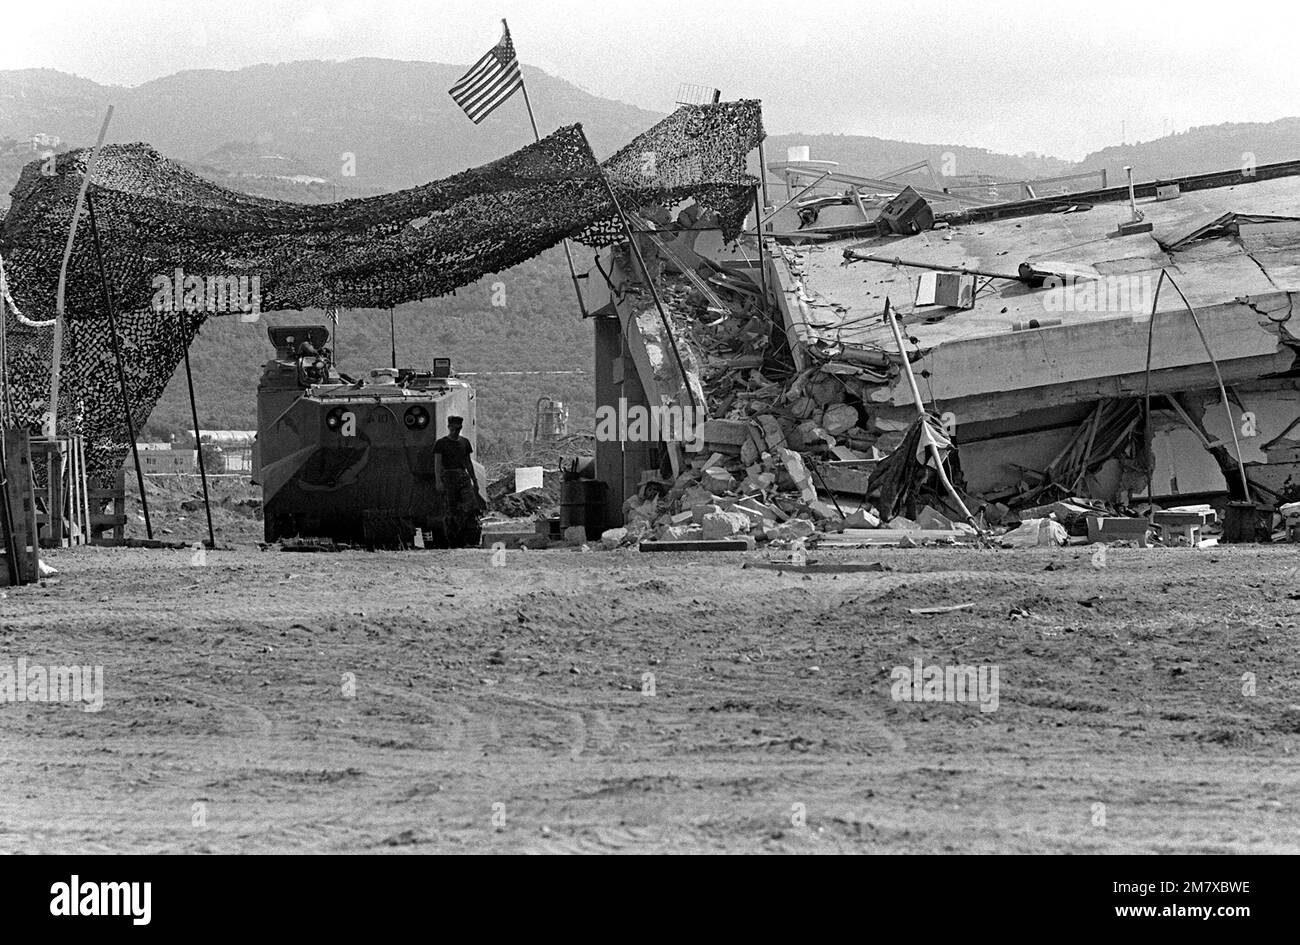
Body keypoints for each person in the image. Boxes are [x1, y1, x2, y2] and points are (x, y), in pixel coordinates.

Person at [433, 415, 482, 547]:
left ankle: (469, 536)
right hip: (448, 477)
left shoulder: (464, 443)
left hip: (462, 476)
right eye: (453, 428)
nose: (456, 431)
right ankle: (453, 540)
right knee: (451, 510)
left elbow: (468, 463)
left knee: (471, 506)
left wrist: (475, 481)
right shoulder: (441, 444)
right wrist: (438, 481)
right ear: (449, 427)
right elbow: (438, 464)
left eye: (458, 428)